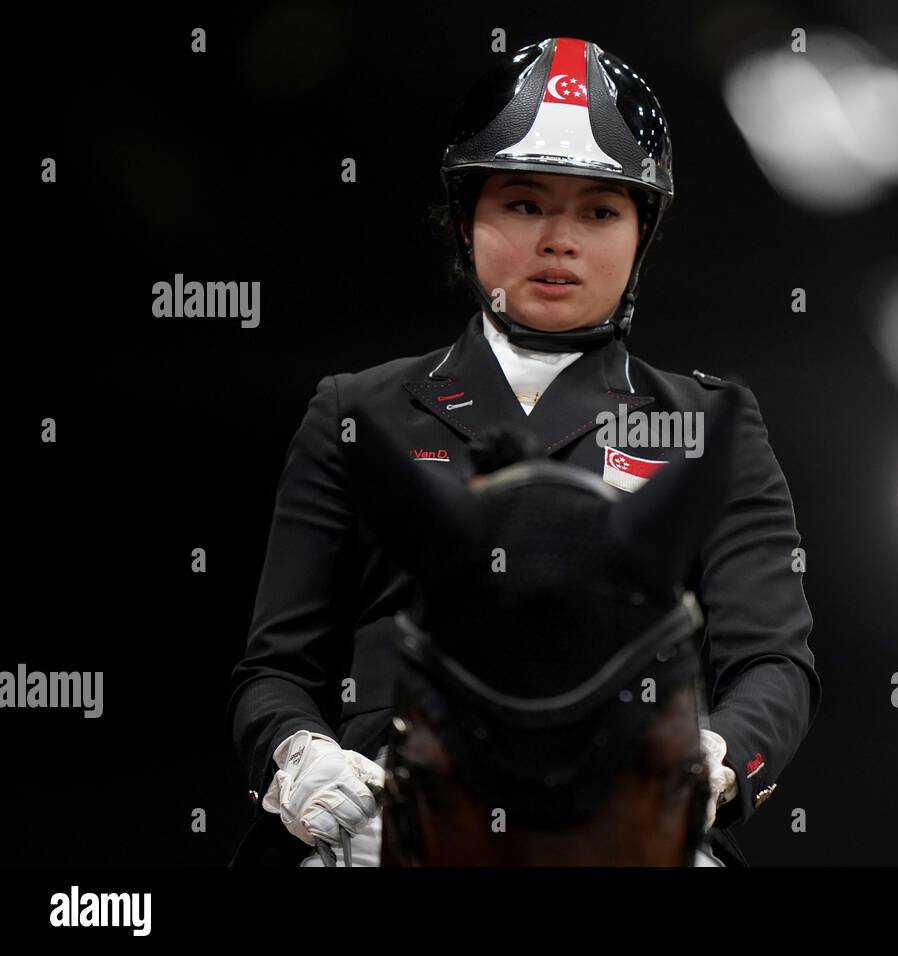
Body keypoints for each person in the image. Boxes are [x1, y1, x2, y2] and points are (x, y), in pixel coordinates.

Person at [226, 35, 821, 867]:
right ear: (466, 218)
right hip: (388, 825)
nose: (559, 240)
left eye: (599, 211)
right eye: (525, 204)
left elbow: (772, 661)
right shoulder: (354, 410)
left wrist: (716, 761)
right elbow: (274, 670)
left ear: (641, 232)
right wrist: (302, 759)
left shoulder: (711, 420)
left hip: (626, 816)